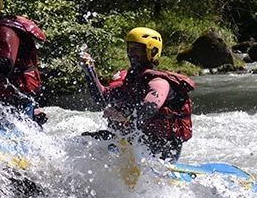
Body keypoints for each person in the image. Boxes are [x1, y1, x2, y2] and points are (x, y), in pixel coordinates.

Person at [79, 27, 195, 162]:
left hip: (162, 147)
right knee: (85, 141)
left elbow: (151, 105)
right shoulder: (130, 80)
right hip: (134, 140)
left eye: (137, 49)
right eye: (130, 48)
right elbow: (102, 98)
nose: (131, 53)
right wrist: (90, 71)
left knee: (113, 147)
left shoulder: (159, 82)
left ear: (152, 51)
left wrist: (126, 116)